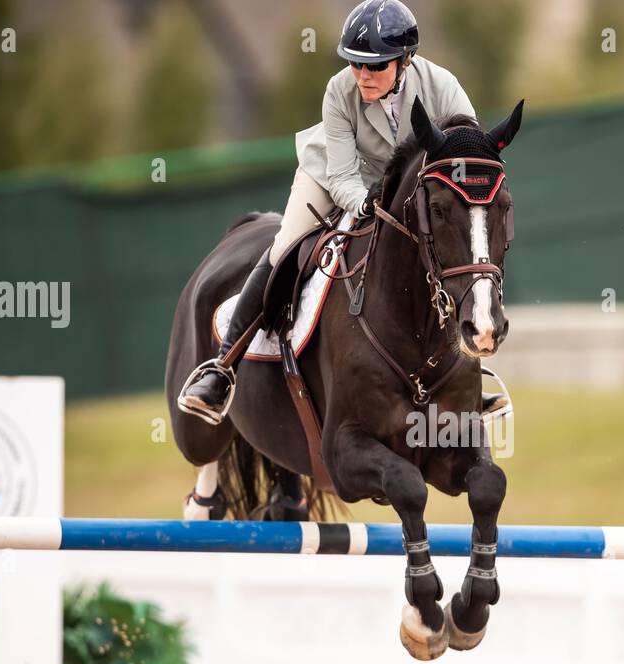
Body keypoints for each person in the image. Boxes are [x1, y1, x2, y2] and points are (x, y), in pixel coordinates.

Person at [178, 0, 477, 424]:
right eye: (356, 64)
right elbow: (340, 176)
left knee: (447, 257)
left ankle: (469, 373)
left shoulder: (443, 87)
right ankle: (223, 367)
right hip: (334, 176)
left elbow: (467, 152)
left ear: (405, 60)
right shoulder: (340, 90)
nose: (362, 76)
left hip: (407, 189)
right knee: (285, 245)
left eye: (374, 67)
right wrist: (365, 205)